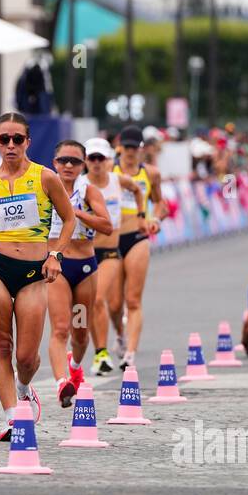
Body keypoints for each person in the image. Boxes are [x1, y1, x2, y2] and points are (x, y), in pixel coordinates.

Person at [0, 112, 75, 439]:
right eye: (3, 139)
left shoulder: (45, 177)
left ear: (27, 142)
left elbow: (70, 219)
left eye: (17, 139)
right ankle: (12, 417)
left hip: (33, 272)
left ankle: (23, 388)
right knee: (1, 345)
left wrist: (55, 255)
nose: (10, 145)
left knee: (26, 356)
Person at [45, 140, 114, 406]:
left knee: (81, 331)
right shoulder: (45, 187)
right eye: (63, 160)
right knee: (60, 328)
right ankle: (62, 382)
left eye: (75, 161)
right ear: (55, 163)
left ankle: (74, 365)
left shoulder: (89, 192)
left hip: (84, 268)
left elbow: (107, 226)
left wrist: (76, 213)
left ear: (83, 165)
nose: (69, 166)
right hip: (57, 265)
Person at [84, 136, 146, 376]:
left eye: (101, 158)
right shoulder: (79, 184)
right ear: (86, 160)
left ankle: (123, 353)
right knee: (110, 304)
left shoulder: (118, 180)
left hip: (111, 250)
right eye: (92, 158)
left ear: (109, 159)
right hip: (86, 251)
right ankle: (110, 342)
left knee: (103, 299)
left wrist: (142, 216)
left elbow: (139, 192)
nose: (97, 163)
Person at [107, 125, 164, 371]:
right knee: (114, 303)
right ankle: (120, 334)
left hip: (138, 237)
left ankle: (130, 352)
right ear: (120, 147)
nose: (129, 152)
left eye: (134, 147)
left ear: (141, 149)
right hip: (111, 239)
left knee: (133, 299)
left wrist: (156, 219)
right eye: (126, 147)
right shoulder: (110, 170)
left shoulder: (150, 173)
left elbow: (159, 202)